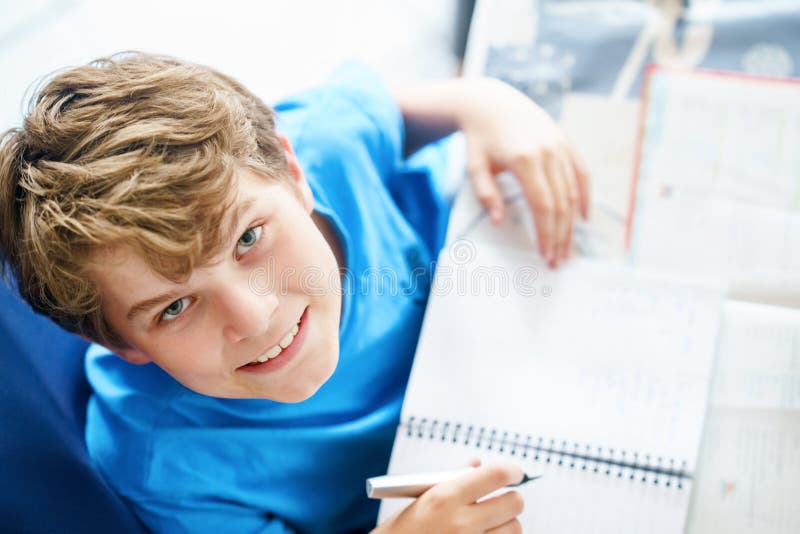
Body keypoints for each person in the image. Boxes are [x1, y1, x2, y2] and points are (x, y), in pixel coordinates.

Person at [0, 52, 589, 533]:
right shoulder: (160, 465)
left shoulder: (327, 141)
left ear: (292, 172)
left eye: (248, 238)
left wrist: (493, 105)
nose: (254, 318)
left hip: (534, 325)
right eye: (174, 307)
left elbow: (409, 106)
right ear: (121, 343)